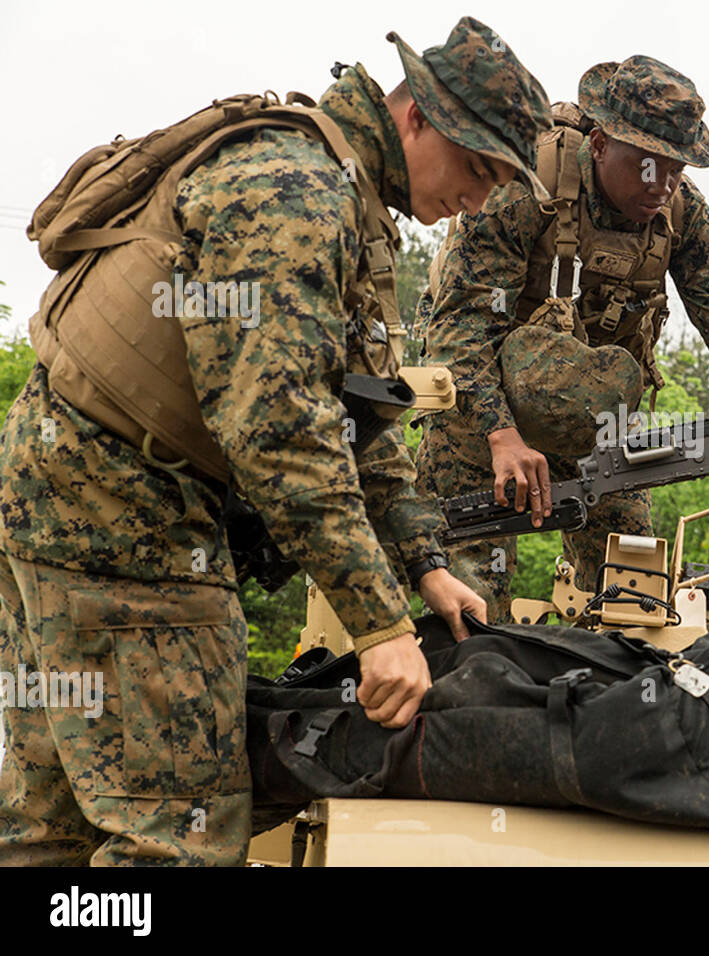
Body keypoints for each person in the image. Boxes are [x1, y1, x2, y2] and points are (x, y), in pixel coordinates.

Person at [0, 17, 551, 865]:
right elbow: (282, 434)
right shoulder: (300, 196)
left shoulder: (335, 191)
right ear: (416, 119)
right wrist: (380, 627)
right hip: (127, 524)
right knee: (179, 831)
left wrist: (427, 562)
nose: (475, 204)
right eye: (477, 169)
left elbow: (359, 419)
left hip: (60, 496)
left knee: (53, 827)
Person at [415, 56, 709, 622]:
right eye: (648, 164)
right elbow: (459, 328)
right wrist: (501, 436)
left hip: (596, 421)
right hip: (477, 407)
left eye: (676, 169)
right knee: (469, 603)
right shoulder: (522, 185)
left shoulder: (679, 211)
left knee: (635, 601)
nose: (663, 185)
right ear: (598, 144)